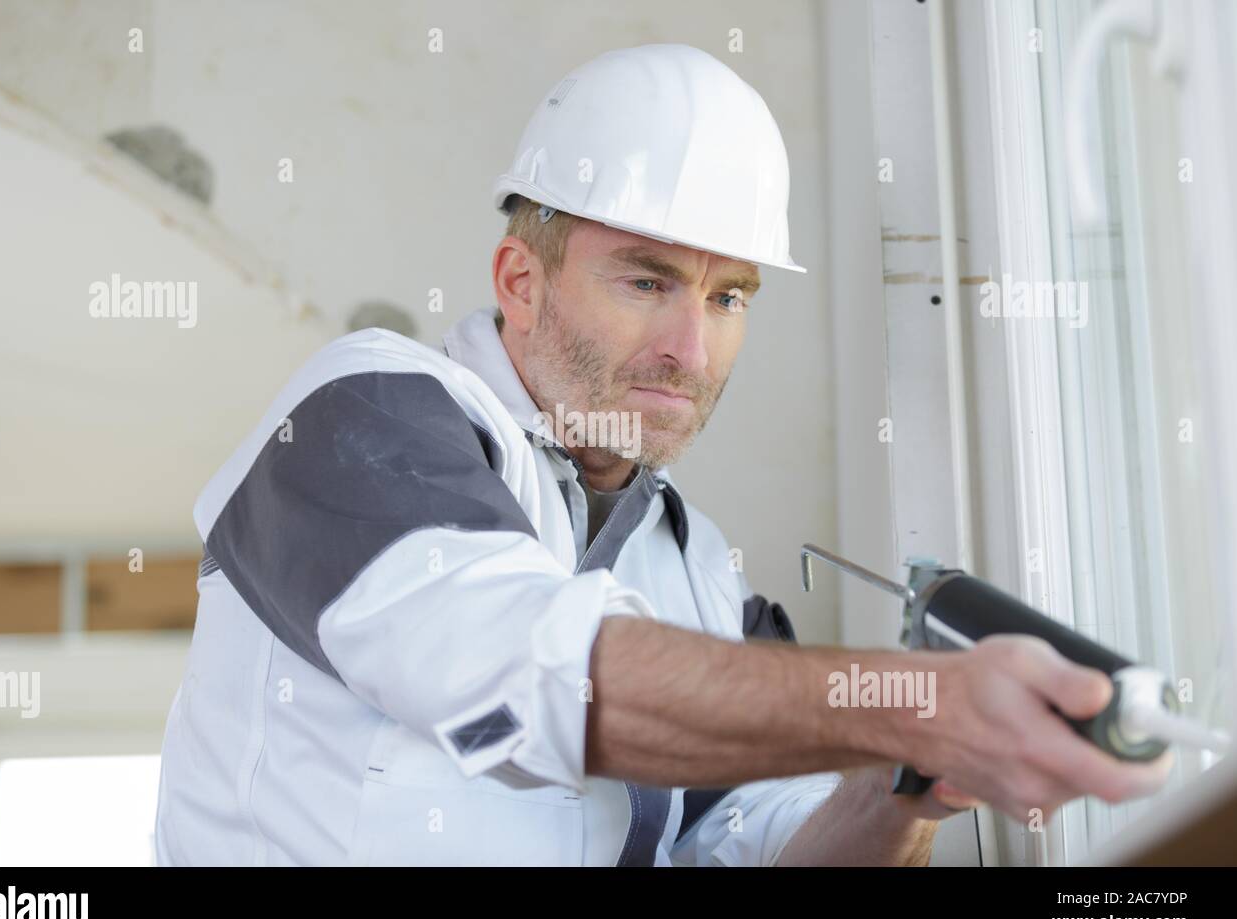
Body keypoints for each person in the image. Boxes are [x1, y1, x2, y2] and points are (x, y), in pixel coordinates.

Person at [154, 43, 1168, 866]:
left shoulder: (692, 571)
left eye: (727, 297)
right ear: (520, 279)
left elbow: (768, 850)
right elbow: (549, 670)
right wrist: (916, 702)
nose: (691, 348)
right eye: (646, 281)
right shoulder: (362, 417)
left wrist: (908, 779)